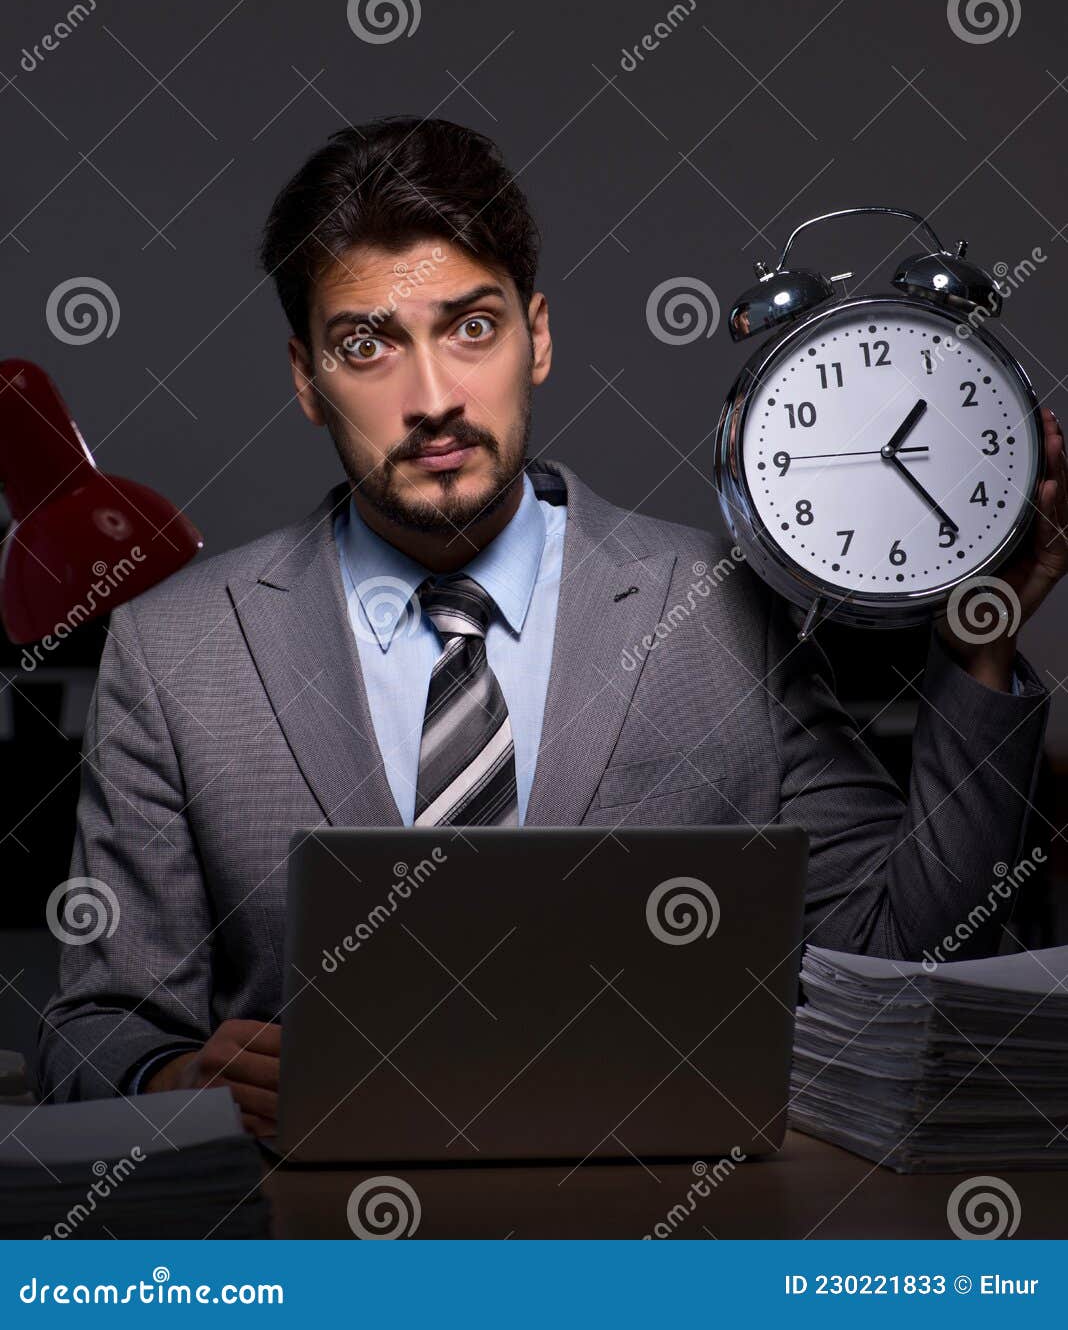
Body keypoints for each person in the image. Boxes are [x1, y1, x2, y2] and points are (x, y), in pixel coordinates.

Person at [37, 116, 1068, 1135]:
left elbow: (909, 964)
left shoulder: (725, 611)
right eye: (367, 345)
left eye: (470, 328)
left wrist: (977, 650)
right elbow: (96, 1029)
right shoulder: (175, 655)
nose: (432, 398)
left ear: (536, 336)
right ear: (307, 378)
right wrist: (179, 1080)